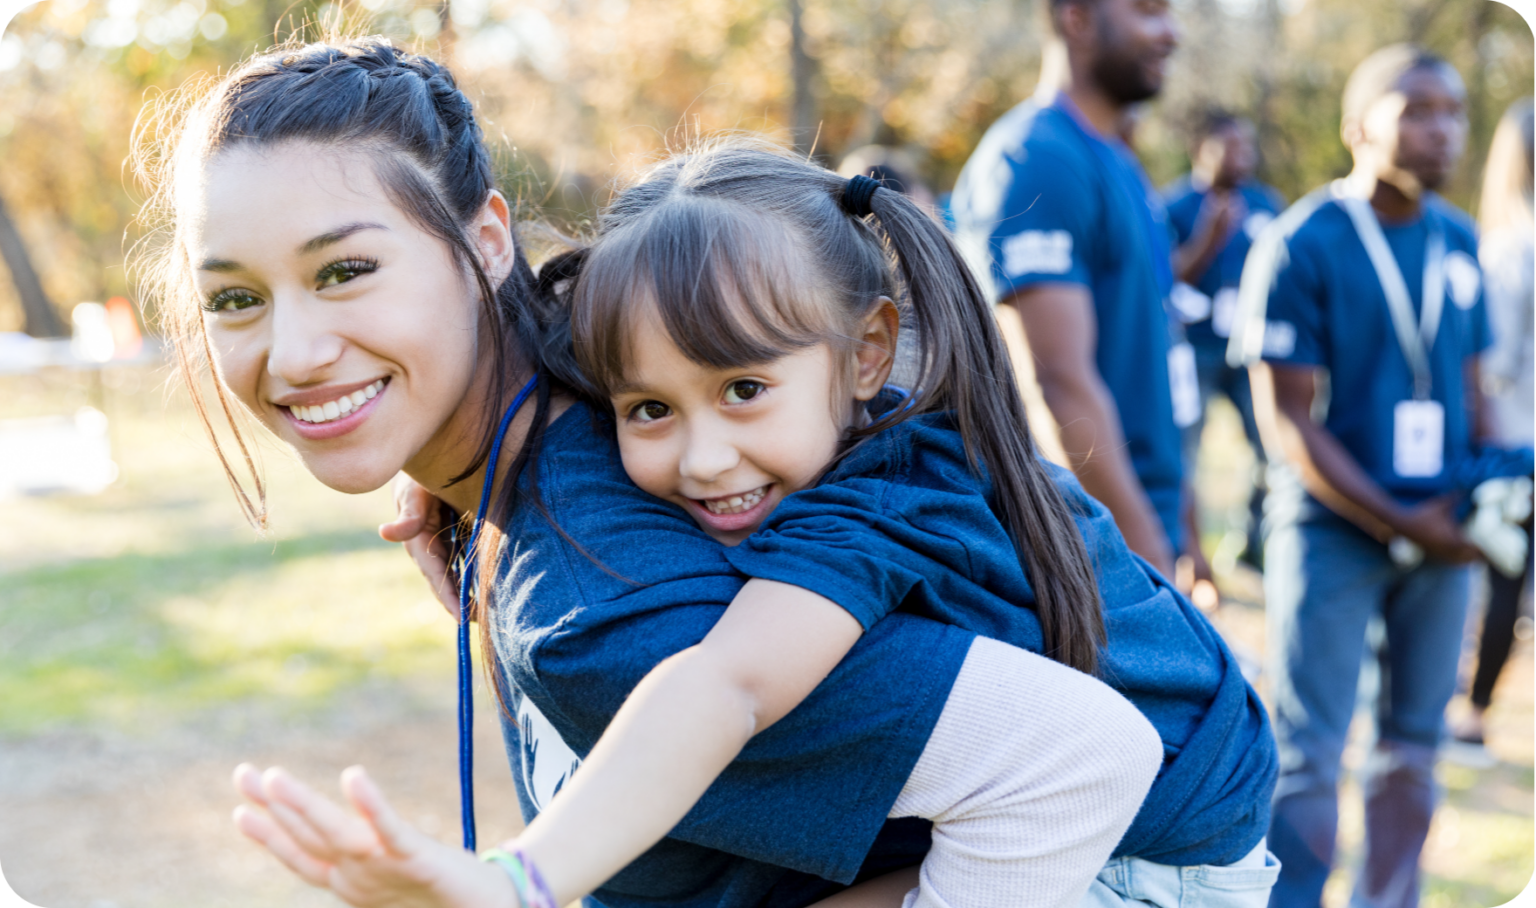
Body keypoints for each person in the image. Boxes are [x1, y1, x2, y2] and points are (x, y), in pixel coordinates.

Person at [135, 38, 1268, 908]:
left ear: (485, 242)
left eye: (346, 269)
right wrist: (432, 466)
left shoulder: (604, 600)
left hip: (1146, 841)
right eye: (235, 295)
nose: (289, 352)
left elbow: (1071, 759)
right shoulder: (637, 364)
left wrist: (519, 881)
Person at [1229, 45, 1491, 908]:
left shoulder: (1458, 239)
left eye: (1451, 110)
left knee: (1414, 745)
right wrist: (1400, 520)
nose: (1441, 128)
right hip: (1334, 528)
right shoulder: (1304, 241)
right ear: (1357, 127)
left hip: (1442, 529)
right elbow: (1286, 423)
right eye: (1416, 109)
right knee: (1309, 750)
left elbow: (1474, 391)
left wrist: (1486, 498)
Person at [951, 0, 1192, 582]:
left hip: (1141, 524)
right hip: (1091, 548)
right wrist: (1146, 560)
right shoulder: (1038, 159)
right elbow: (1056, 381)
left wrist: (1182, 524)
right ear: (1077, 19)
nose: (1172, 33)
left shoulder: (1116, 158)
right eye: (1148, 11)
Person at [1447, 97, 1536, 761]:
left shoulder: (1511, 248)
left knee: (1502, 580)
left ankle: (1473, 716)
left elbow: (1495, 359)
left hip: (1516, 440)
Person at [1163, 112, 1285, 571]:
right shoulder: (1173, 206)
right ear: (1202, 150)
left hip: (1251, 349)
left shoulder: (1266, 205)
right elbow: (1166, 280)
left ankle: (1251, 542)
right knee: (1186, 449)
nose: (1242, 157)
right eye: (1229, 147)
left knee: (1270, 444)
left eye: (1247, 147)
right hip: (1195, 350)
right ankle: (1185, 551)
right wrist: (1207, 241)